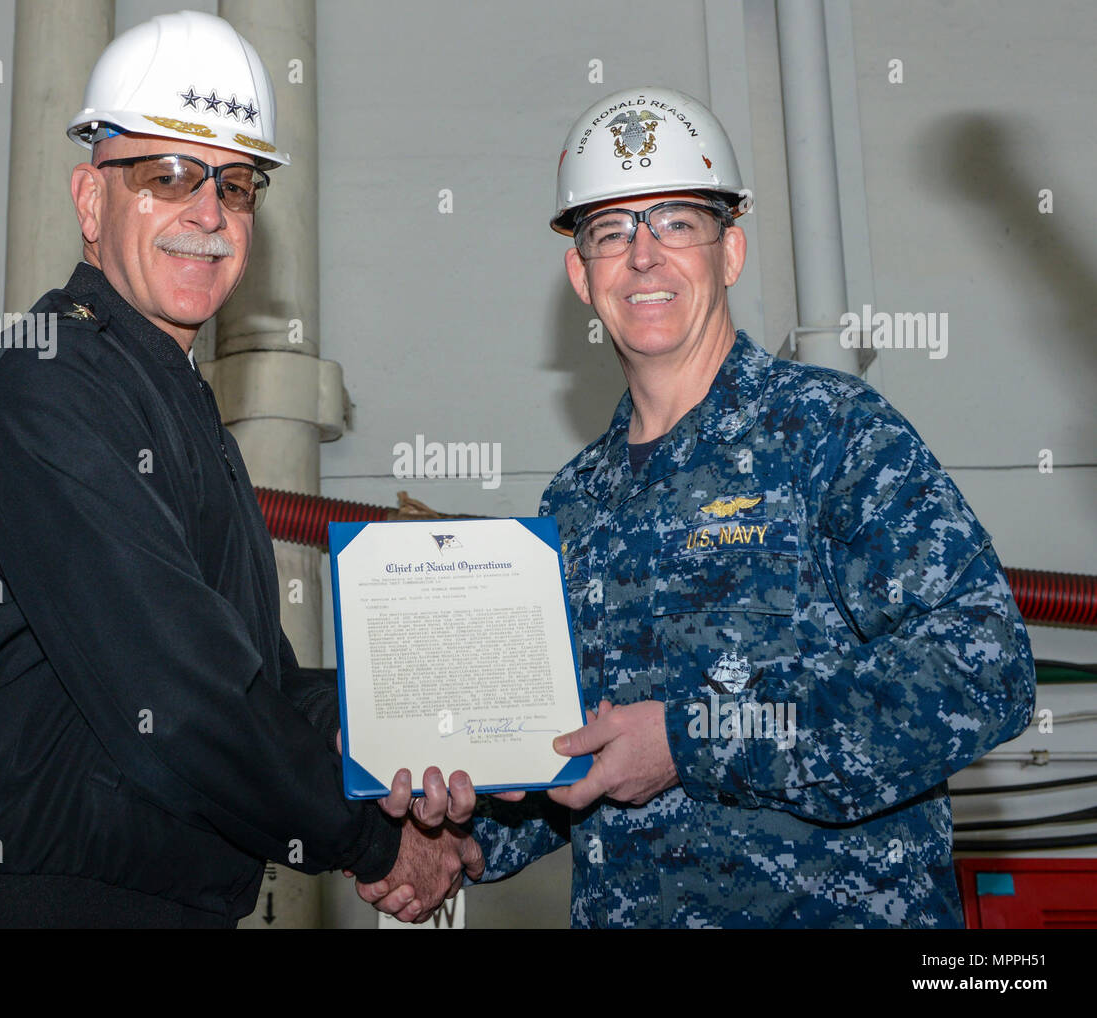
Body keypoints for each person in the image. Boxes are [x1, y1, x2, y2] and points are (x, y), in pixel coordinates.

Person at [372, 86, 1036, 928]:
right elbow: (574, 750)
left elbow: (986, 666)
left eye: (677, 222)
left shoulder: (831, 431)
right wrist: (467, 843)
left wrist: (698, 741)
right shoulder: (575, 503)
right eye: (611, 232)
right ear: (582, 274)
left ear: (731, 252)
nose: (644, 256)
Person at [0, 10, 475, 928]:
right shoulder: (48, 386)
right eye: (168, 176)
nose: (207, 213)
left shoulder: (175, 407)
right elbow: (179, 699)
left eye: (236, 186)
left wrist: (397, 737)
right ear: (89, 198)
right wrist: (376, 839)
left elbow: (257, 685)